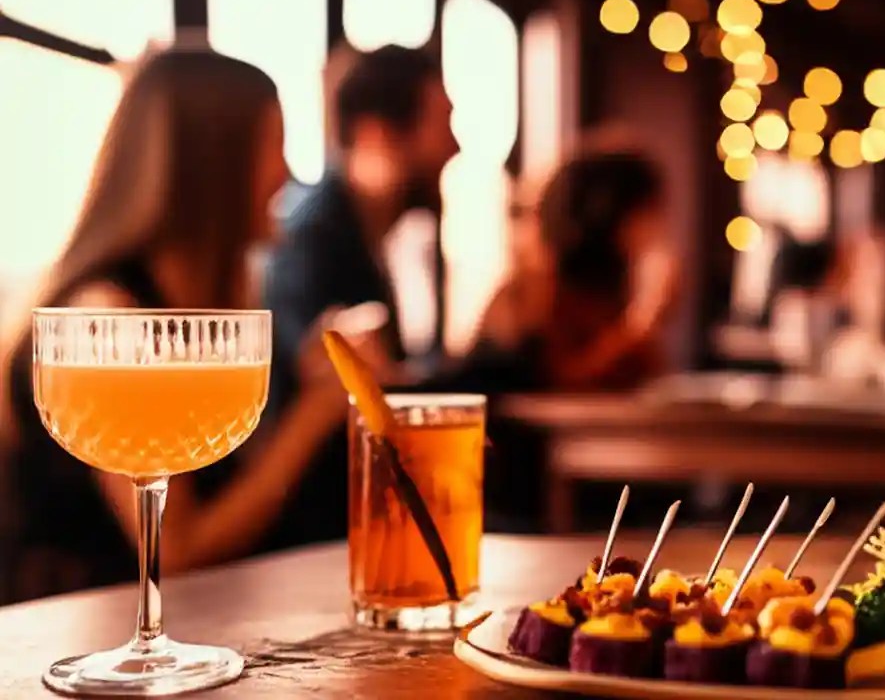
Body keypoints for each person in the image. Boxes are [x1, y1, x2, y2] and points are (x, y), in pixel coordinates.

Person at [0, 49, 383, 604]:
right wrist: (311, 417)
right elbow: (179, 551)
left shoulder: (208, 312)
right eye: (273, 145)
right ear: (211, 165)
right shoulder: (105, 317)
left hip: (199, 625)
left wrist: (306, 383)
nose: (290, 173)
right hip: (80, 637)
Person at [262, 45, 457, 548]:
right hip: (319, 538)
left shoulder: (365, 235)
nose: (454, 148)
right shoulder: (312, 241)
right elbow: (333, 390)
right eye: (442, 124)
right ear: (376, 133)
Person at [469, 146, 677, 392]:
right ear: (610, 213)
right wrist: (645, 318)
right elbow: (561, 389)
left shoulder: (606, 291)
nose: (659, 230)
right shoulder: (535, 293)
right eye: (649, 214)